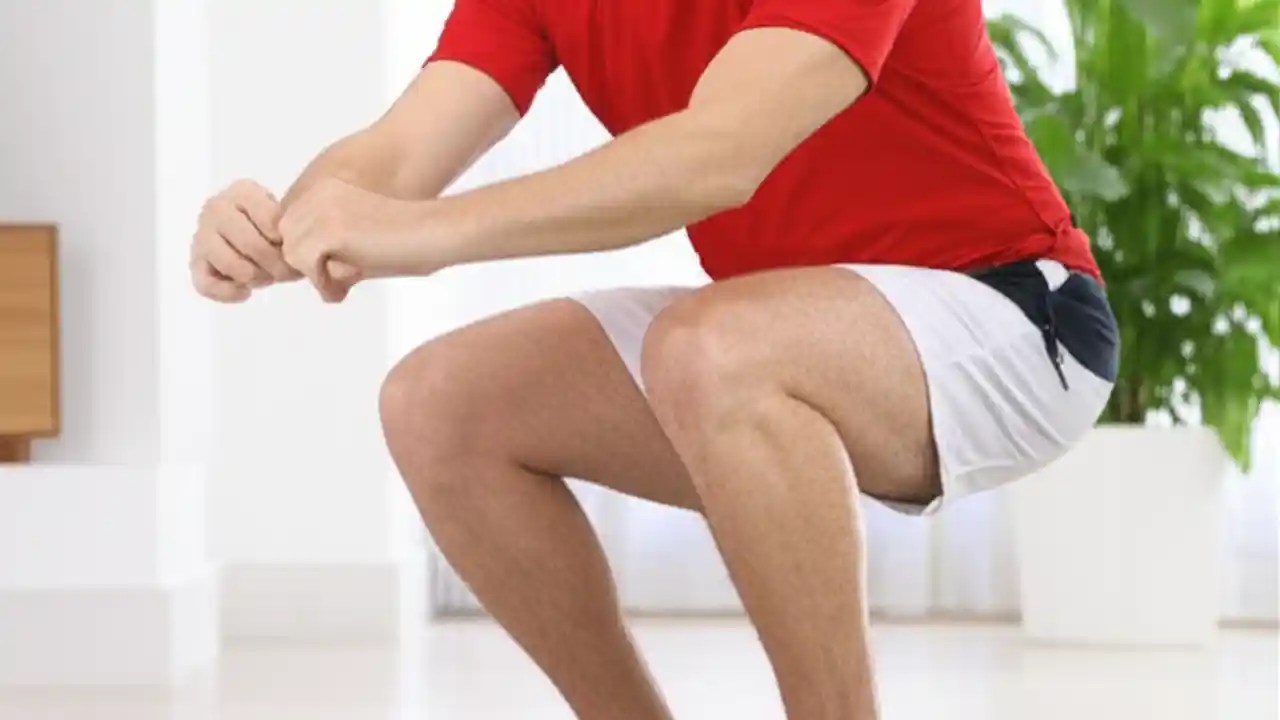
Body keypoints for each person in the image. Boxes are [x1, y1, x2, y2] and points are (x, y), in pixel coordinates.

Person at [191, 1, 1120, 717]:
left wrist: (427, 237)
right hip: (782, 335)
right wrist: (275, 226)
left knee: (710, 346)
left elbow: (720, 154)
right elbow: (394, 156)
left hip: (1017, 316)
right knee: (436, 404)